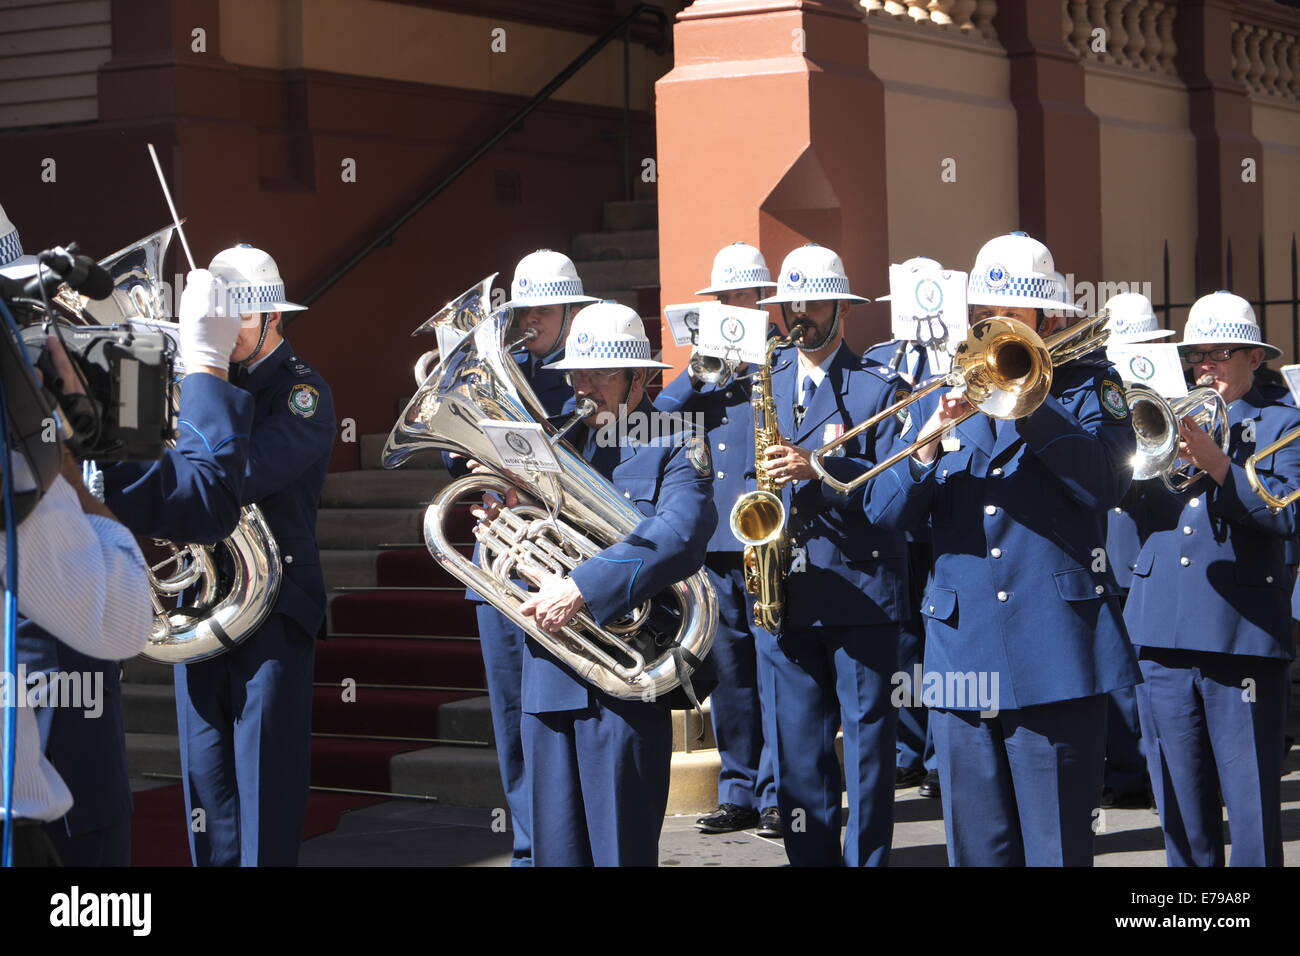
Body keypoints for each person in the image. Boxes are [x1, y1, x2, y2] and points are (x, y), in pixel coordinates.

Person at [868, 232, 1141, 866]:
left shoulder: (1089, 387)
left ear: (1047, 319)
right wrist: (928, 443)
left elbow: (1105, 484)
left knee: (1056, 846)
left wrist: (1031, 404)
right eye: (987, 314)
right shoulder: (946, 393)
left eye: (1013, 316)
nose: (997, 330)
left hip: (1057, 650)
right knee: (978, 848)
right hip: (964, 649)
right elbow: (886, 512)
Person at [104, 244, 336, 866]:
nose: (222, 330)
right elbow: (153, 486)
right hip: (201, 606)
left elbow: (228, 482)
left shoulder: (301, 393)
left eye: (239, 318)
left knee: (264, 788)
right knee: (205, 785)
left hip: (274, 609)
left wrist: (198, 386)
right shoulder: (205, 385)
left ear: (272, 320)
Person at [482, 301, 714, 865]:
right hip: (549, 674)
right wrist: (505, 518)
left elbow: (680, 533)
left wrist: (583, 587)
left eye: (600, 374)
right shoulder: (557, 441)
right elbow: (535, 538)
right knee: (554, 854)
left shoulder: (678, 438)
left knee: (619, 853)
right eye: (576, 374)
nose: (584, 388)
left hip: (624, 679)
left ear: (639, 376)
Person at [1124, 291, 1300, 867]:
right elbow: (1116, 497)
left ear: (1255, 358)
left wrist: (1219, 466)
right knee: (1179, 806)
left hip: (1241, 635)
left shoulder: (1283, 425)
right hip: (1163, 633)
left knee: (1250, 809)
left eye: (1221, 353)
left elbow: (1286, 516)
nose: (1207, 366)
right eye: (1198, 354)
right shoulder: (1161, 416)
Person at [749, 243, 911, 867]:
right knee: (796, 752)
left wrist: (818, 468)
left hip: (861, 589)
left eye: (813, 302)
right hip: (785, 592)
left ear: (842, 307)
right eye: (791, 301)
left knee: (869, 748)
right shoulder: (765, 379)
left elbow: (894, 496)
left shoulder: (878, 388)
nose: (799, 314)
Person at [447, 250, 597, 866]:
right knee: (511, 718)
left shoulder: (591, 374)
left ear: (570, 309)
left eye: (542, 308)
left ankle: (574, 844)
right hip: (501, 565)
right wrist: (469, 458)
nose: (531, 320)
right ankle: (531, 848)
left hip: (568, 568)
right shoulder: (501, 372)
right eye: (523, 309)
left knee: (568, 719)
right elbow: (450, 453)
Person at [655, 241, 780, 837]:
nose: (734, 304)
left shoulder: (783, 358)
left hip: (772, 537)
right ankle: (740, 789)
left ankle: (784, 791)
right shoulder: (708, 375)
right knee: (730, 674)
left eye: (743, 295)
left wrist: (755, 367)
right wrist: (702, 364)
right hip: (718, 544)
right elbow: (658, 414)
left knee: (779, 670)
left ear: (761, 299)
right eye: (725, 297)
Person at [865, 255, 946, 797]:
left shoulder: (963, 357)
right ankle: (908, 748)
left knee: (939, 639)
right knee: (903, 644)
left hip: (940, 513)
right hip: (898, 515)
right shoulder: (877, 359)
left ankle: (942, 754)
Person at [1097, 291, 1170, 810]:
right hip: (1112, 536)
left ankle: (1154, 768)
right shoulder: (1100, 380)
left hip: (1155, 538)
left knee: (1148, 665)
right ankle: (1128, 770)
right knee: (1118, 665)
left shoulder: (1166, 383)